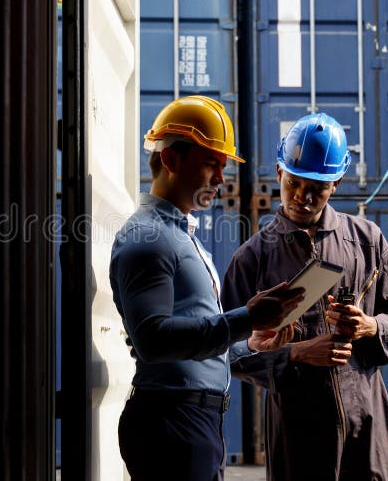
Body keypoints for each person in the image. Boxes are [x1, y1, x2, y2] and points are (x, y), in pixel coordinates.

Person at [110, 95, 305, 481]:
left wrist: (251, 340)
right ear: (171, 160)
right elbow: (152, 339)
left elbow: (194, 342)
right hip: (172, 421)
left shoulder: (183, 237)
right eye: (211, 165)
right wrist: (246, 318)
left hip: (192, 421)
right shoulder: (149, 238)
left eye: (222, 167)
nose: (221, 179)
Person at [221, 113, 388, 480]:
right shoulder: (253, 258)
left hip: (368, 423)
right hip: (298, 433)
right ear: (279, 172)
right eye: (294, 183)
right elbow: (224, 352)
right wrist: (294, 354)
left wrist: (370, 326)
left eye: (317, 188)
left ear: (337, 183)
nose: (303, 198)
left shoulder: (367, 239)